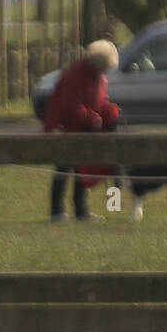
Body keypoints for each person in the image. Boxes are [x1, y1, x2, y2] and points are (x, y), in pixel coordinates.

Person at [43, 40, 120, 221]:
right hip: (63, 130)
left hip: (82, 130)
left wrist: (110, 112)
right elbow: (71, 108)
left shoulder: (97, 78)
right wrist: (92, 118)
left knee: (82, 171)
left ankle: (81, 211)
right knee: (63, 168)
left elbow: (99, 101)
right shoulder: (74, 76)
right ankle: (57, 211)